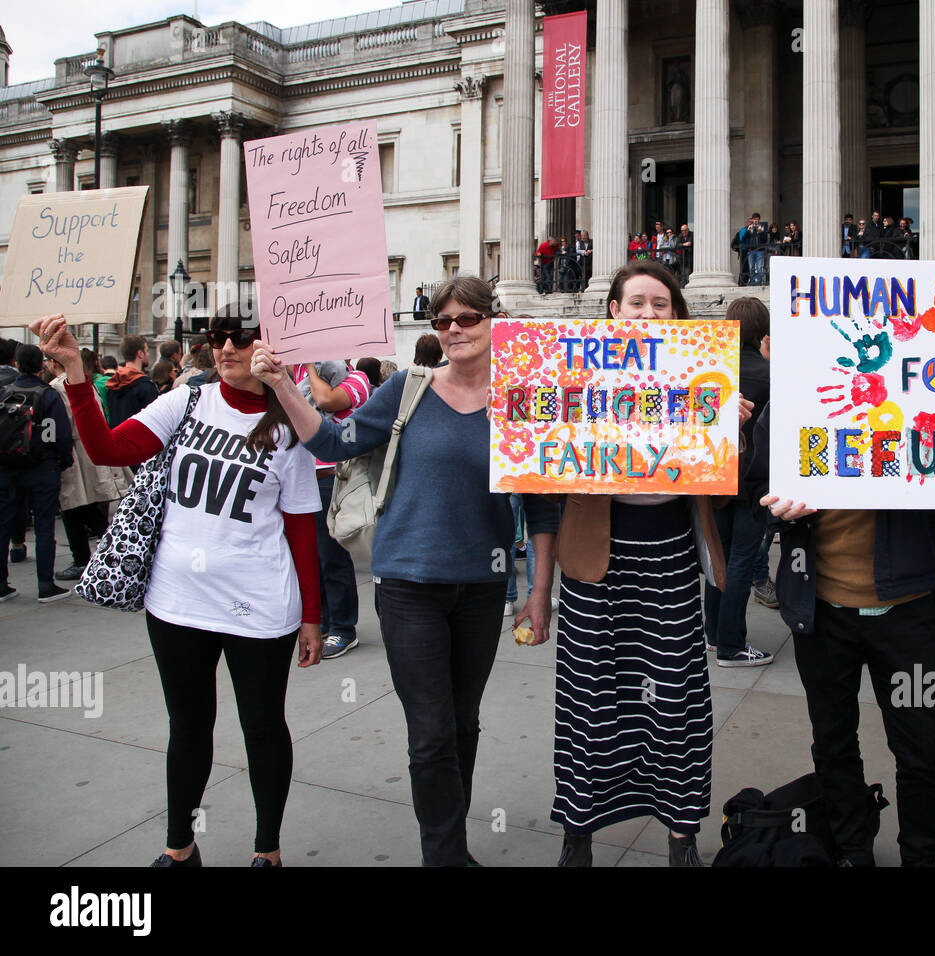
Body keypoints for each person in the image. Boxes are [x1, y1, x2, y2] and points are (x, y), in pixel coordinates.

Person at [250, 275, 560, 867]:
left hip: (483, 586)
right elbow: (337, 440)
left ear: (493, 322)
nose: (454, 331)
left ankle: (452, 841)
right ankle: (443, 856)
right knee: (432, 732)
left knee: (462, 723)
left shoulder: (524, 398)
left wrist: (539, 592)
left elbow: (543, 502)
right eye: (442, 321)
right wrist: (279, 385)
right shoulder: (407, 389)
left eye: (467, 318)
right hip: (408, 585)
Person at [31, 307, 323, 867]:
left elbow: (301, 526)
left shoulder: (291, 424)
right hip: (176, 602)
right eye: (217, 337)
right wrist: (74, 374)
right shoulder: (186, 400)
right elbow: (108, 450)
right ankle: (180, 847)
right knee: (188, 727)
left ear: (268, 346)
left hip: (259, 605)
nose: (226, 348)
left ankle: (268, 850)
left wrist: (313, 615)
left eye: (240, 338)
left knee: (262, 726)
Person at [546, 259, 750, 868]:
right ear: (613, 311)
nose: (648, 314)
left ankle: (681, 832)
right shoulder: (572, 373)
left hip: (671, 558)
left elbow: (729, 484)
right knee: (589, 697)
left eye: (660, 304)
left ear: (678, 314)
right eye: (636, 303)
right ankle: (577, 830)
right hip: (595, 562)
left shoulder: (707, 377)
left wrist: (734, 428)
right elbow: (537, 460)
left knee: (677, 701)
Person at [750, 365, 935, 864]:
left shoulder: (926, 397)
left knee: (920, 749)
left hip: (908, 614)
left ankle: (921, 855)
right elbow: (753, 493)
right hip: (822, 613)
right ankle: (853, 850)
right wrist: (773, 509)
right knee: (834, 741)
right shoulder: (790, 405)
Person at [704, 297, 773, 667]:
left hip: (716, 478)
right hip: (752, 481)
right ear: (763, 330)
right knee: (742, 560)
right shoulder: (769, 374)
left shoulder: (714, 371)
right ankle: (731, 644)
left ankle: (714, 632)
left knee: (720, 555)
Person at [289, 360, 372, 661]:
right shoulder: (295, 374)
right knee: (309, 556)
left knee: (332, 556)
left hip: (330, 479)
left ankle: (343, 628)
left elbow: (325, 399)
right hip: (299, 477)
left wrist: (310, 365)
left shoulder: (357, 379)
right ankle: (322, 621)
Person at [47, 351, 131, 583]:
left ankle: (82, 560)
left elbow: (59, 425)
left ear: (53, 363)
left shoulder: (56, 386)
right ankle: (112, 553)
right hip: (89, 447)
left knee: (73, 508)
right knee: (92, 509)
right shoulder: (84, 382)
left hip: (75, 451)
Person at [0, 344, 74, 603]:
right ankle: (45, 584)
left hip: (8, 467)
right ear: (41, 364)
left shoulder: (4, 392)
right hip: (42, 467)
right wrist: (64, 460)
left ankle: (1, 583)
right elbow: (61, 434)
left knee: (4, 523)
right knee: (44, 526)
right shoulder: (48, 395)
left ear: (18, 364)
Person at [106, 334, 160, 428]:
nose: (148, 354)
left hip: (117, 438)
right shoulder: (146, 386)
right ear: (140, 354)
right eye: (146, 351)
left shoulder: (113, 384)